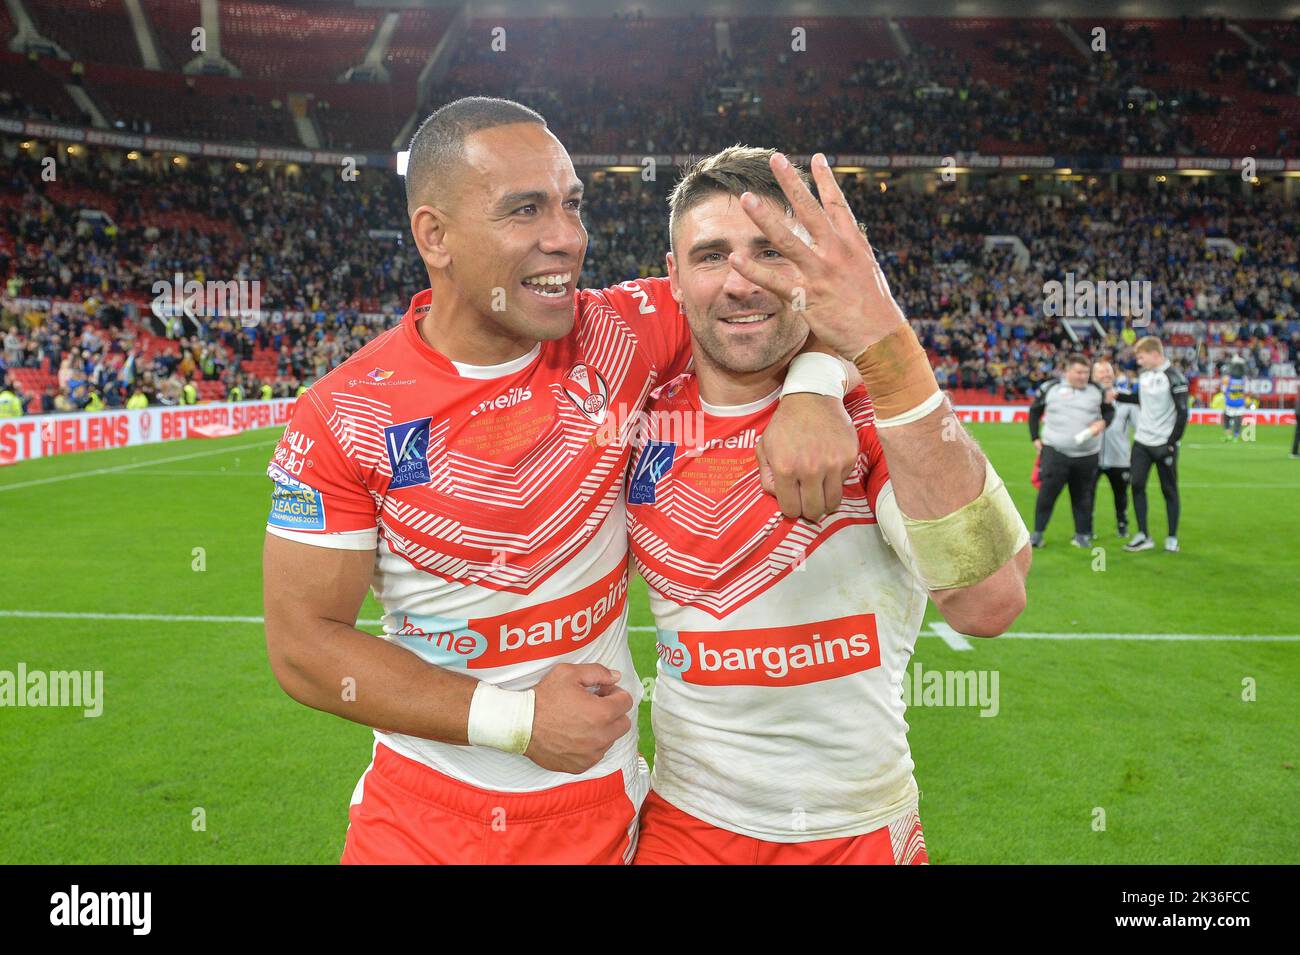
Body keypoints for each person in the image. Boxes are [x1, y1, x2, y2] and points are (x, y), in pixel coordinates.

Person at [261, 97, 858, 866]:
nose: (567, 239)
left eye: (572, 205)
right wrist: (516, 721)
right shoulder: (342, 414)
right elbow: (305, 645)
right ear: (433, 236)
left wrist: (813, 385)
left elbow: (812, 304)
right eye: (525, 210)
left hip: (601, 814)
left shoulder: (623, 329)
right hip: (420, 819)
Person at [626, 147, 1030, 865]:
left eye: (770, 253)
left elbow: (990, 599)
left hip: (853, 831)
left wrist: (869, 350)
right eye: (711, 255)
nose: (740, 280)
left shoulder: (878, 418)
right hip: (684, 823)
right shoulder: (636, 418)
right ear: (674, 276)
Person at [1026, 354, 1113, 548]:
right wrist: (1035, 437)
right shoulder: (1051, 388)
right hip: (1055, 452)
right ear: (1067, 371)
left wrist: (1103, 422)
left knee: (1083, 496)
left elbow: (1109, 411)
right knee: (1047, 494)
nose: (1083, 376)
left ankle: (1081, 535)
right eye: (1078, 372)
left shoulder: (1096, 390)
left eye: (1086, 372)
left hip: (1087, 455)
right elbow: (1034, 412)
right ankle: (1037, 534)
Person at [1113, 336, 1188, 552]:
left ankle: (1172, 537)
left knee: (1169, 490)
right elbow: (1140, 400)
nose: (1138, 361)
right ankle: (1143, 535)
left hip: (1164, 444)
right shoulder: (1145, 376)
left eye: (1141, 356)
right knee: (1136, 485)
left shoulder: (1174, 377)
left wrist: (1172, 442)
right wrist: (1118, 396)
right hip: (1142, 442)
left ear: (1155, 354)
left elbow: (1183, 413)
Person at [1091, 360, 1136, 537]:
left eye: (1109, 372)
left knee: (1121, 495)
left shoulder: (1126, 397)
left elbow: (1138, 426)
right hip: (1091, 455)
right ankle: (1086, 530)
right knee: (1087, 495)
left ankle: (1122, 526)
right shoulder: (1086, 396)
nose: (1106, 375)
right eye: (1101, 372)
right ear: (1093, 376)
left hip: (1120, 457)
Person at [1220, 356, 1247, 442]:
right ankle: (1236, 436)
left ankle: (1228, 435)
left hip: (1230, 402)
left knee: (1226, 418)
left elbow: (1223, 390)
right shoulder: (1243, 379)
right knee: (1238, 419)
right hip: (1239, 402)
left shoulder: (1227, 379)